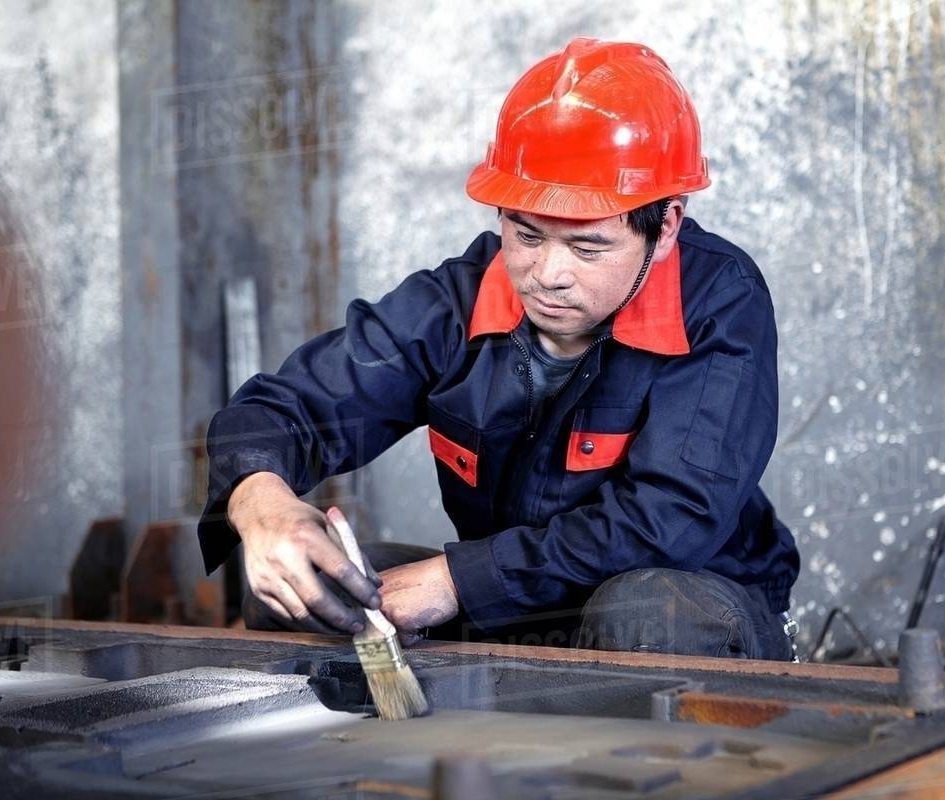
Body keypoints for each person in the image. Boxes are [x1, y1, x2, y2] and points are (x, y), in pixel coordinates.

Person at [198, 37, 800, 660]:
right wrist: (258, 498)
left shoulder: (718, 303)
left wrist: (458, 580)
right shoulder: (453, 306)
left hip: (690, 599)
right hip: (512, 602)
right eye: (527, 234)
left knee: (650, 614)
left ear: (666, 225)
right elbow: (288, 407)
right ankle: (399, 757)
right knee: (305, 593)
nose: (547, 272)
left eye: (588, 247)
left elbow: (671, 519)